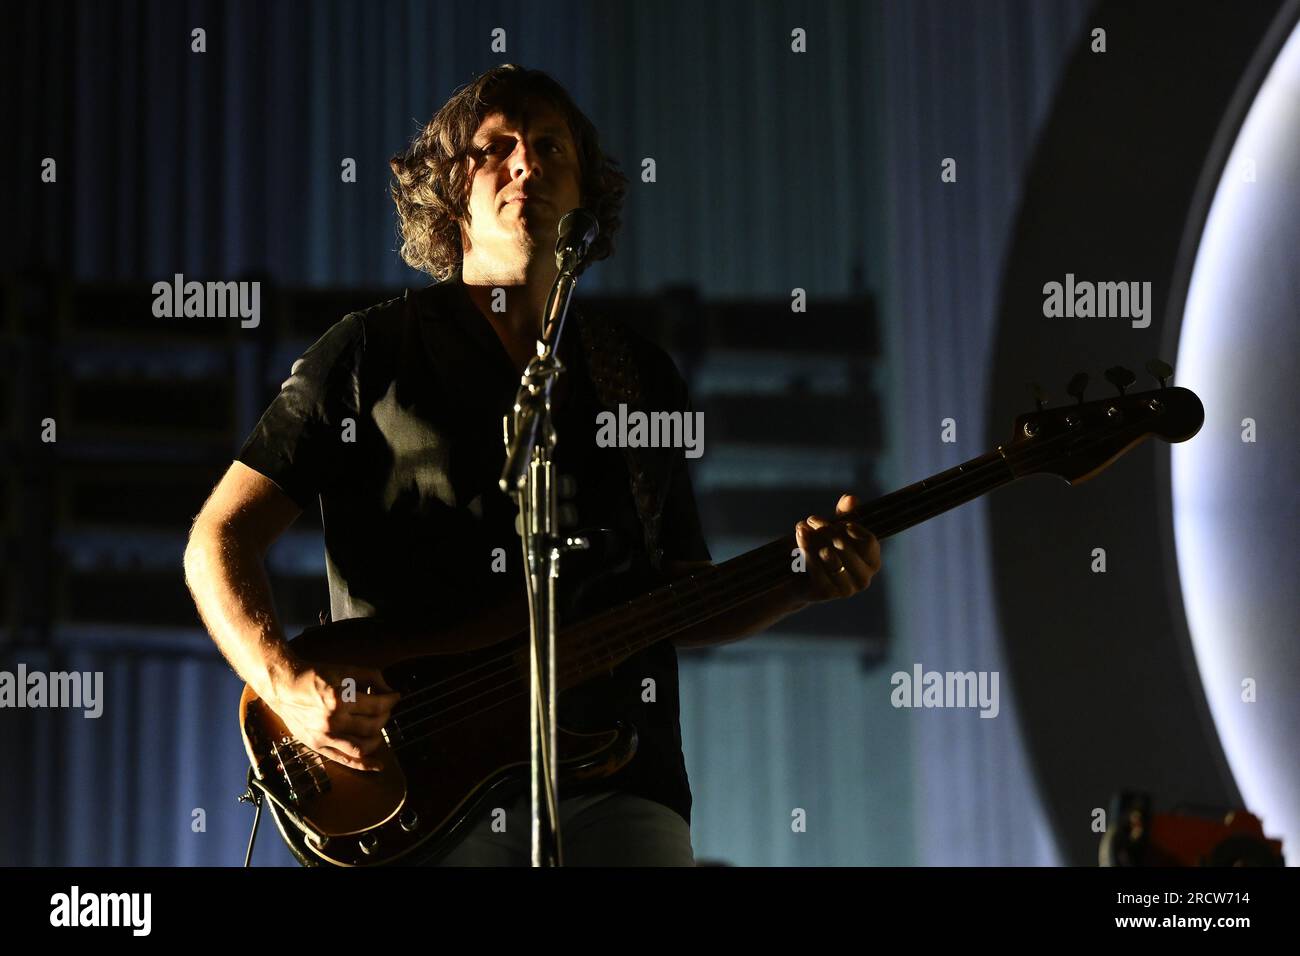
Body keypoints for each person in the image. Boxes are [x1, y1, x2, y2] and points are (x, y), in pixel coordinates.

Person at [183, 64, 881, 867]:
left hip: (621, 778)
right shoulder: (369, 352)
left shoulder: (636, 374)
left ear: (585, 192)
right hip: (419, 787)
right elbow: (218, 539)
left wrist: (799, 581)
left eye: (550, 146)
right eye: (496, 147)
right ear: (450, 190)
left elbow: (679, 593)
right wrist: (284, 686)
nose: (526, 163)